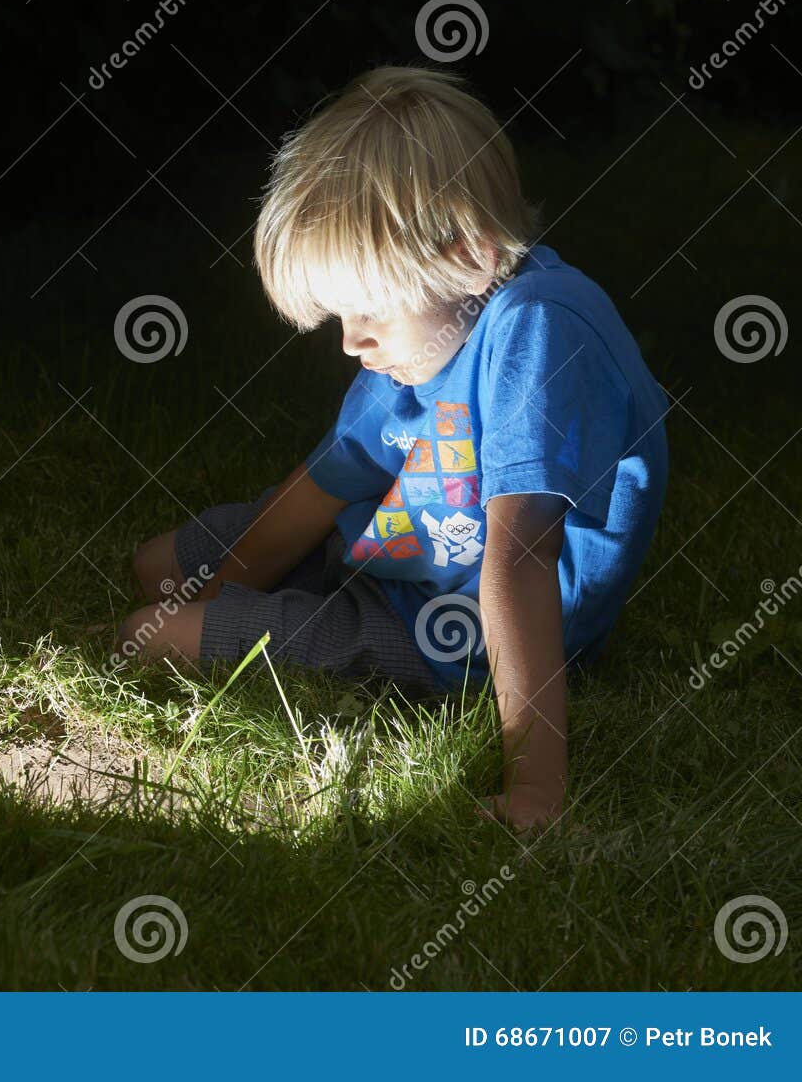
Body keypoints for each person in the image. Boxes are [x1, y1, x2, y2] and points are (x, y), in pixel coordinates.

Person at [118, 66, 669, 830]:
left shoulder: (539, 331)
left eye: (369, 310)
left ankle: (272, 624)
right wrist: (213, 600)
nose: (351, 342)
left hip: (447, 630)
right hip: (390, 548)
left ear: (470, 259)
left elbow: (521, 556)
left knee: (149, 639)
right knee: (159, 569)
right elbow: (323, 487)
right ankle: (247, 612)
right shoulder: (417, 345)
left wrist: (536, 790)